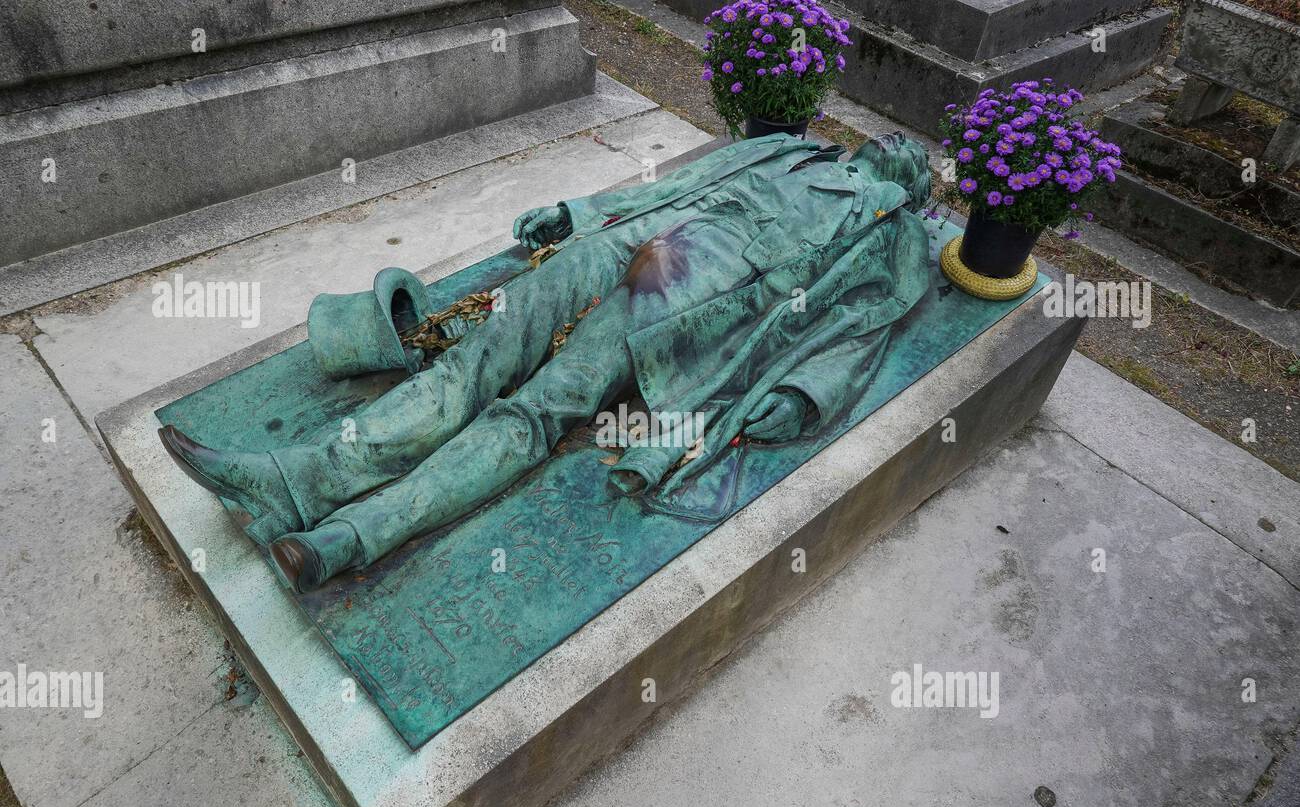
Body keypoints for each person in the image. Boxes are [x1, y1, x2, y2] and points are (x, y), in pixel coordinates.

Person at [159, 132, 933, 593]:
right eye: (894, 141)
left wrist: (803, 393)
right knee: (479, 354)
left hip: (694, 293)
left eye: (914, 158)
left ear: (913, 189)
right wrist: (582, 214)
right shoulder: (790, 145)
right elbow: (690, 179)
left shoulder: (897, 234)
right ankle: (298, 479)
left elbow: (865, 325)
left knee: (535, 411)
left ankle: (352, 538)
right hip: (637, 239)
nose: (899, 148)